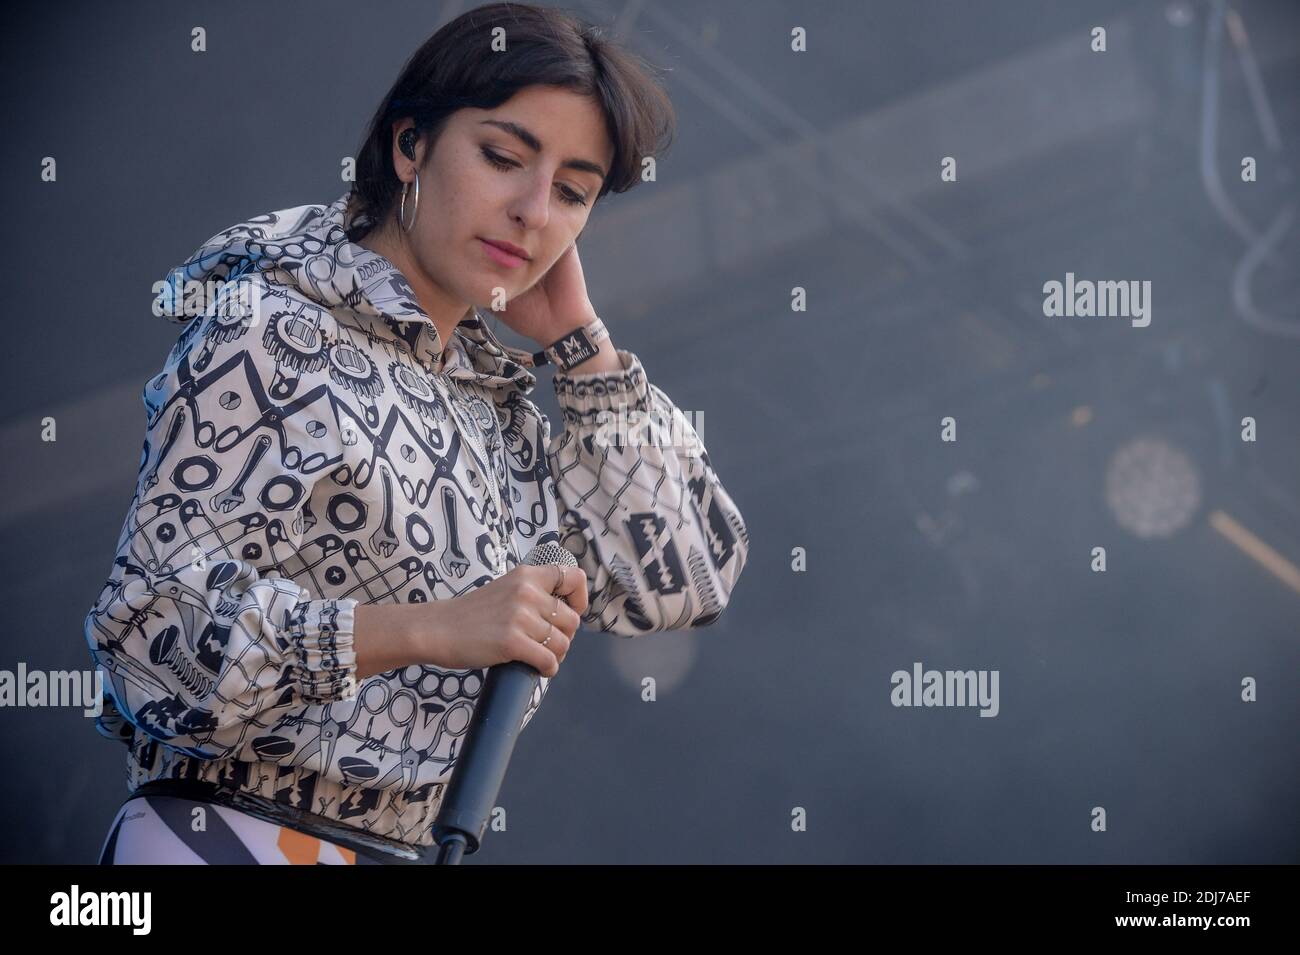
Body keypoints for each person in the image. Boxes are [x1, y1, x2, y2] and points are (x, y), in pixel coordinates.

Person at [85, 1, 749, 864]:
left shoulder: (494, 403)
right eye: (504, 158)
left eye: (574, 192)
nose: (533, 210)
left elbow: (673, 585)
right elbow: (149, 635)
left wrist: (583, 343)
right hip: (220, 835)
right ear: (410, 145)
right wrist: (431, 626)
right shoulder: (274, 326)